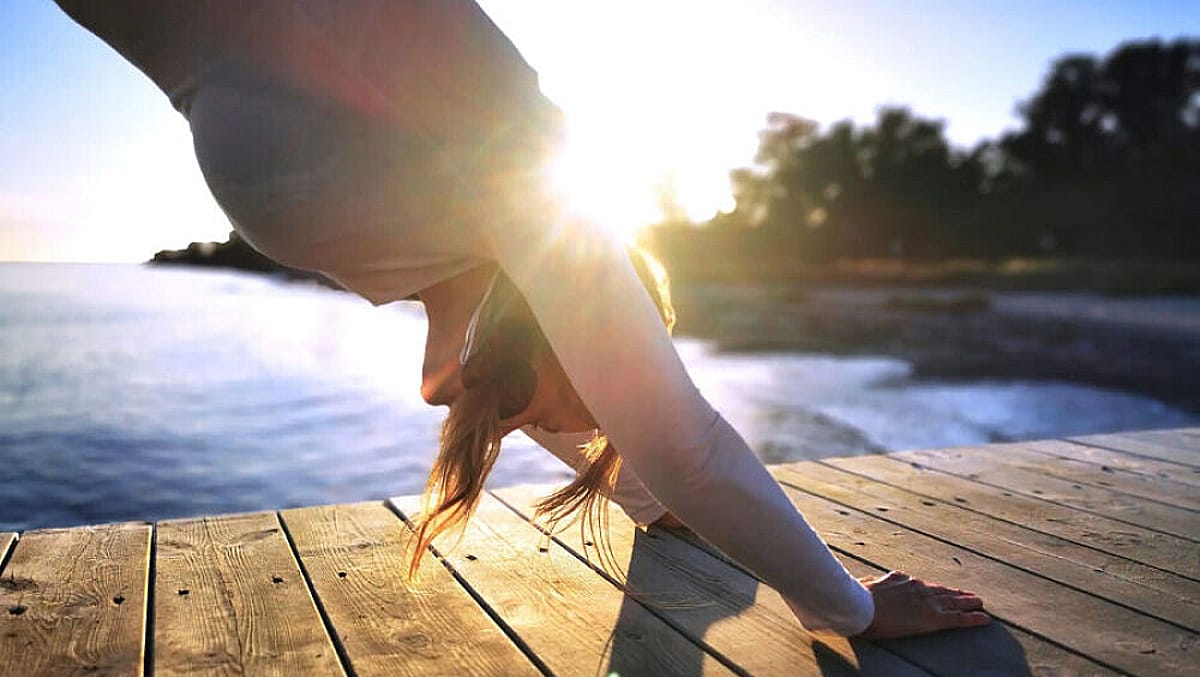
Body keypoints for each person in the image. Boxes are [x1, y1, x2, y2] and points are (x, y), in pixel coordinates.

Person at [53, 0, 989, 639]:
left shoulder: (433, 254)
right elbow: (686, 441)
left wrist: (647, 500)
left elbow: (542, 397)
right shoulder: (529, 181)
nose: (560, 421)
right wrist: (849, 607)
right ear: (562, 310)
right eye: (594, 390)